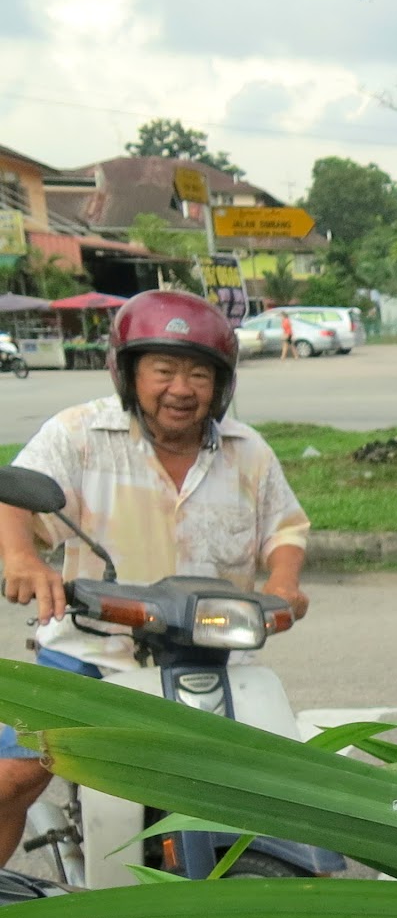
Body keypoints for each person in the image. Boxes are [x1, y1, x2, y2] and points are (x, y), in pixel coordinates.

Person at [0, 288, 310, 865]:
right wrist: (22, 559)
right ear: (128, 373)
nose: (182, 389)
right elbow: (15, 499)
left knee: (281, 788)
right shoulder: (80, 435)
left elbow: (285, 531)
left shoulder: (250, 452)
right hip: (92, 653)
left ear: (221, 384)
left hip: (214, 659)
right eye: (163, 369)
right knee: (11, 779)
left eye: (199, 374)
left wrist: (283, 583)